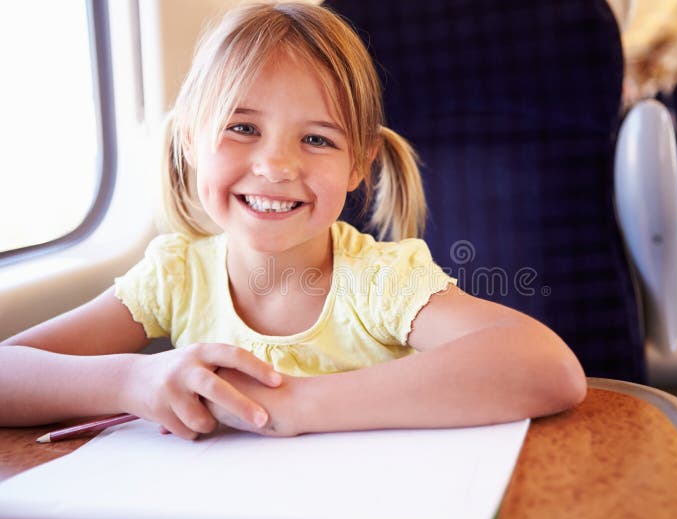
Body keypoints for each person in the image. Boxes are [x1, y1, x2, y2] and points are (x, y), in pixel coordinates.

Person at [0, 3, 585, 439]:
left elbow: (548, 368)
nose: (276, 165)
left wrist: (295, 405)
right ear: (190, 142)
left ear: (358, 165)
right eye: (242, 128)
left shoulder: (381, 282)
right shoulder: (174, 277)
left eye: (316, 139)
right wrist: (134, 381)